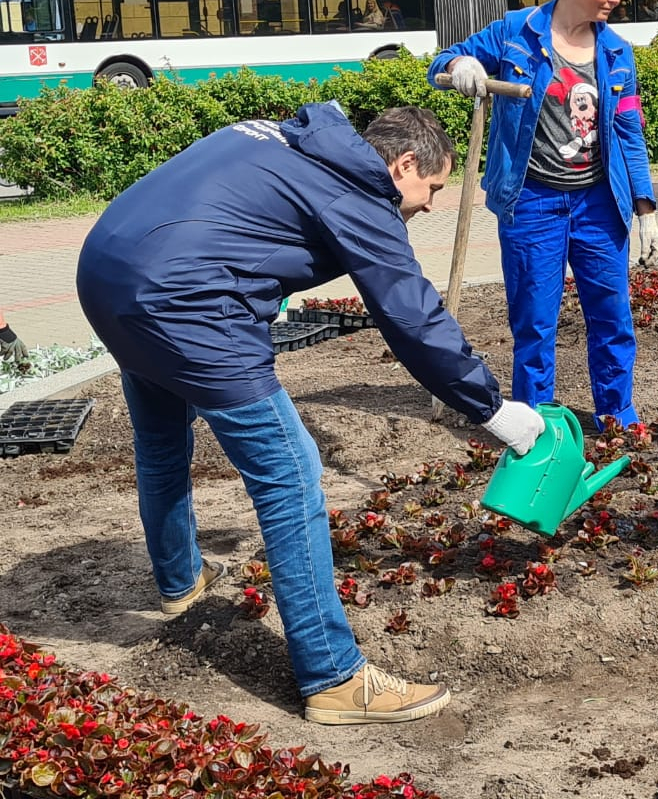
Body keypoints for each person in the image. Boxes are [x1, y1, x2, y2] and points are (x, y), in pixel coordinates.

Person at [76, 103, 546, 724]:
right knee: (292, 475)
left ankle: (180, 582)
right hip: (185, 302)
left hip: (108, 278)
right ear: (403, 165)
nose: (430, 205)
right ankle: (333, 678)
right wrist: (491, 407)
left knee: (162, 438)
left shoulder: (294, 140)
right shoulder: (357, 188)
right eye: (431, 188)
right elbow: (409, 314)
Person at [428, 0, 658, 430]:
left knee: (612, 316)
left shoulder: (617, 52)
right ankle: (535, 421)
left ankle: (616, 414)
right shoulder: (517, 33)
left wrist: (645, 211)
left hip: (600, 204)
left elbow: (628, 131)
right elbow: (441, 64)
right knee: (534, 322)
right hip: (531, 201)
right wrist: (462, 63)